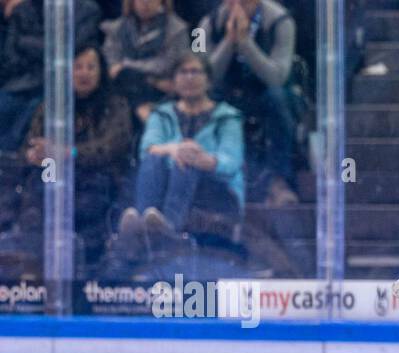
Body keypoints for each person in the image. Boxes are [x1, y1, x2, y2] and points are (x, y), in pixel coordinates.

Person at [1, 45, 131, 269]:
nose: (84, 73)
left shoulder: (115, 105)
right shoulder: (51, 106)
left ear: (101, 72)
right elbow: (31, 144)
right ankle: (30, 264)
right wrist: (33, 155)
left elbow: (111, 148)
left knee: (82, 200)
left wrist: (67, 153)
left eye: (91, 67)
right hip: (51, 175)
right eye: (78, 67)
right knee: (35, 190)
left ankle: (86, 263)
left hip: (99, 178)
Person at [113, 53, 244, 262]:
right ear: (173, 81)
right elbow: (147, 148)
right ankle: (145, 219)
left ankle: (166, 228)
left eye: (195, 72)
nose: (189, 78)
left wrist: (204, 159)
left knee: (186, 161)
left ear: (208, 80)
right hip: (166, 184)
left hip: (215, 188)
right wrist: (174, 149)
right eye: (183, 72)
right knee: (154, 159)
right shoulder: (161, 114)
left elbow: (232, 161)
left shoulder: (227, 117)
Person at [198, 0, 297, 205]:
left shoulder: (281, 21)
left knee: (277, 98)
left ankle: (278, 180)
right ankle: (205, 180)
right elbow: (203, 76)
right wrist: (228, 40)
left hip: (264, 91)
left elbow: (277, 76)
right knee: (201, 98)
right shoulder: (208, 23)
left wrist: (245, 43)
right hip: (228, 90)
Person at [0, 0, 104, 151]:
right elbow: (11, 54)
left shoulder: (88, 9)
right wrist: (48, 48)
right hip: (20, 81)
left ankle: (11, 160)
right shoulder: (23, 9)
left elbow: (72, 48)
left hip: (59, 81)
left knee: (29, 116)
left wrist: (28, 44)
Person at [102, 0, 191, 125]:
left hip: (164, 94)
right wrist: (153, 80)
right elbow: (111, 64)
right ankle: (143, 113)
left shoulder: (176, 29)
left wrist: (126, 65)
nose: (146, 3)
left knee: (126, 73)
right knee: (124, 77)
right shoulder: (116, 28)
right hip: (123, 91)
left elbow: (166, 64)